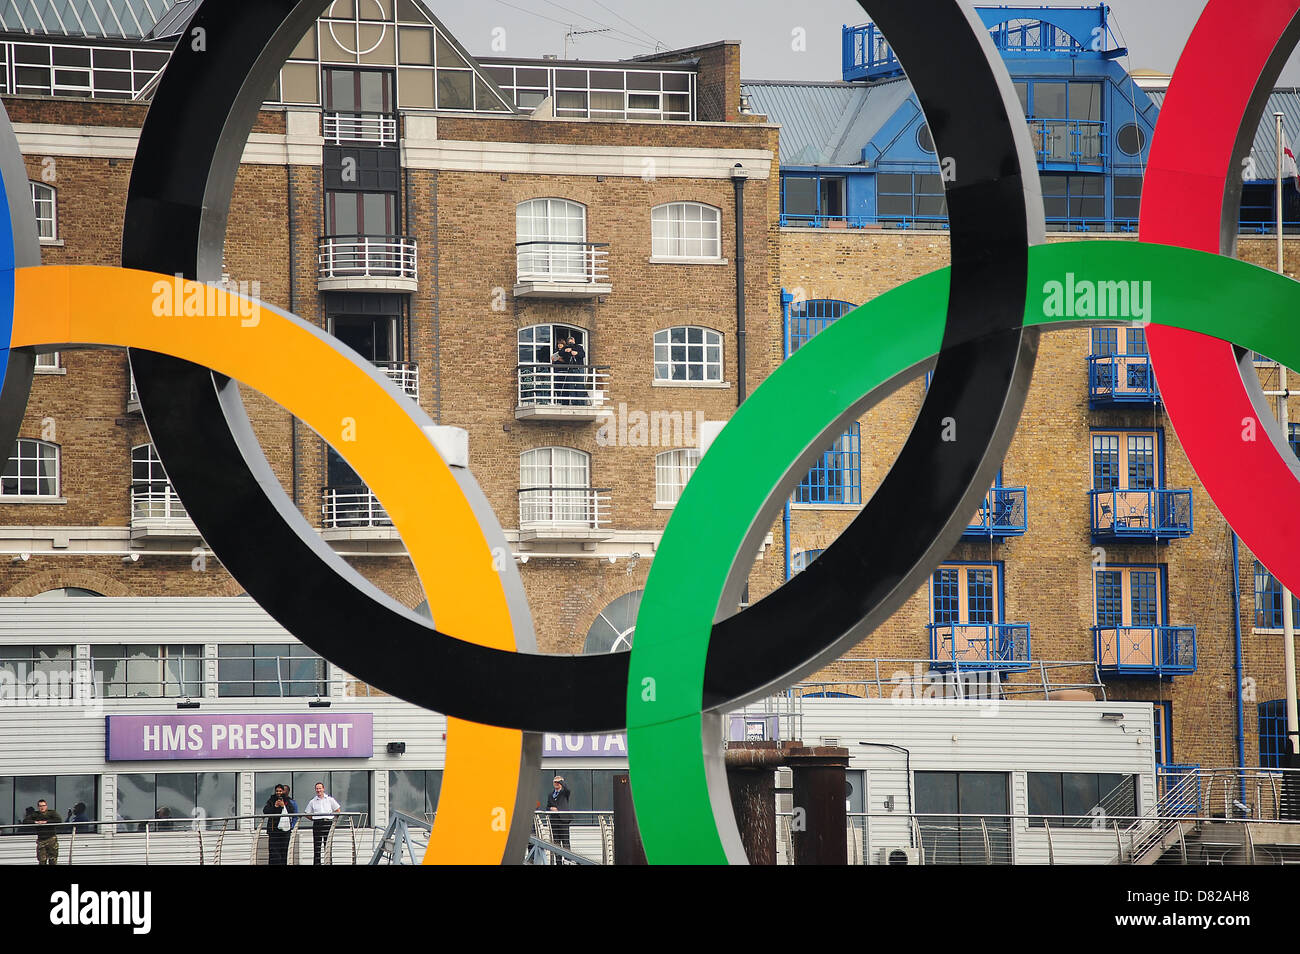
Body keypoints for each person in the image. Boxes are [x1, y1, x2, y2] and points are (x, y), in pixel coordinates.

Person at [304, 781, 341, 865]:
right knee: (317, 846)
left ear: (323, 789)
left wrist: (334, 820)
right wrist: (314, 819)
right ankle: (317, 864)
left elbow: (337, 810)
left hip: (327, 823)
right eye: (317, 788)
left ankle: (328, 863)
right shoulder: (312, 801)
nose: (318, 790)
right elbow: (307, 813)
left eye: (320, 788)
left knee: (327, 845)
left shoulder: (329, 799)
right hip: (317, 823)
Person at [262, 783, 297, 865]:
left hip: (284, 831)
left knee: (283, 851)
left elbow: (292, 811)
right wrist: (275, 806)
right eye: (277, 791)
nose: (278, 793)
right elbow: (266, 811)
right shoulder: (271, 800)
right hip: (274, 831)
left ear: (283, 792)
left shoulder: (287, 801)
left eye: (280, 791)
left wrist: (283, 806)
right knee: (273, 852)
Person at [23, 799, 61, 865]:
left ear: (46, 806)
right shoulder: (35, 814)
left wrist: (46, 822)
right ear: (38, 807)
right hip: (41, 840)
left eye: (43, 805)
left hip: (51, 839)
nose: (42, 807)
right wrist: (36, 822)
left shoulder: (52, 813)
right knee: (42, 861)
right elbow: (25, 821)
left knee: (53, 860)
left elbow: (58, 820)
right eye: (40, 806)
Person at [546, 776, 572, 852]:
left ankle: (568, 861)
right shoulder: (550, 794)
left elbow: (567, 789)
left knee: (565, 843)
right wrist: (551, 809)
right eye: (555, 782)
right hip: (554, 822)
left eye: (558, 782)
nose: (556, 784)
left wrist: (561, 781)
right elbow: (547, 807)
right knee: (556, 843)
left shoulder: (564, 793)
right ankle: (558, 862)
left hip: (563, 821)